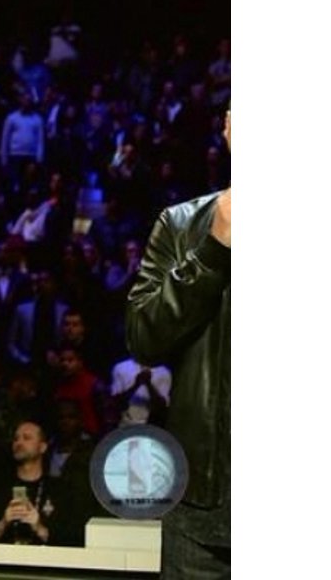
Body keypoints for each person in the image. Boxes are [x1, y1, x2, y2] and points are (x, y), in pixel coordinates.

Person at [126, 108, 230, 579]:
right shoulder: (181, 223)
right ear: (229, 127)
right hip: (199, 510)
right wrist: (211, 253)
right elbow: (143, 339)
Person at [0, 420, 77, 546]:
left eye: (27, 438)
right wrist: (4, 522)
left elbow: (71, 538)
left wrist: (39, 527)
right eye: (16, 439)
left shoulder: (61, 490)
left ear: (42, 447)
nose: (19, 443)